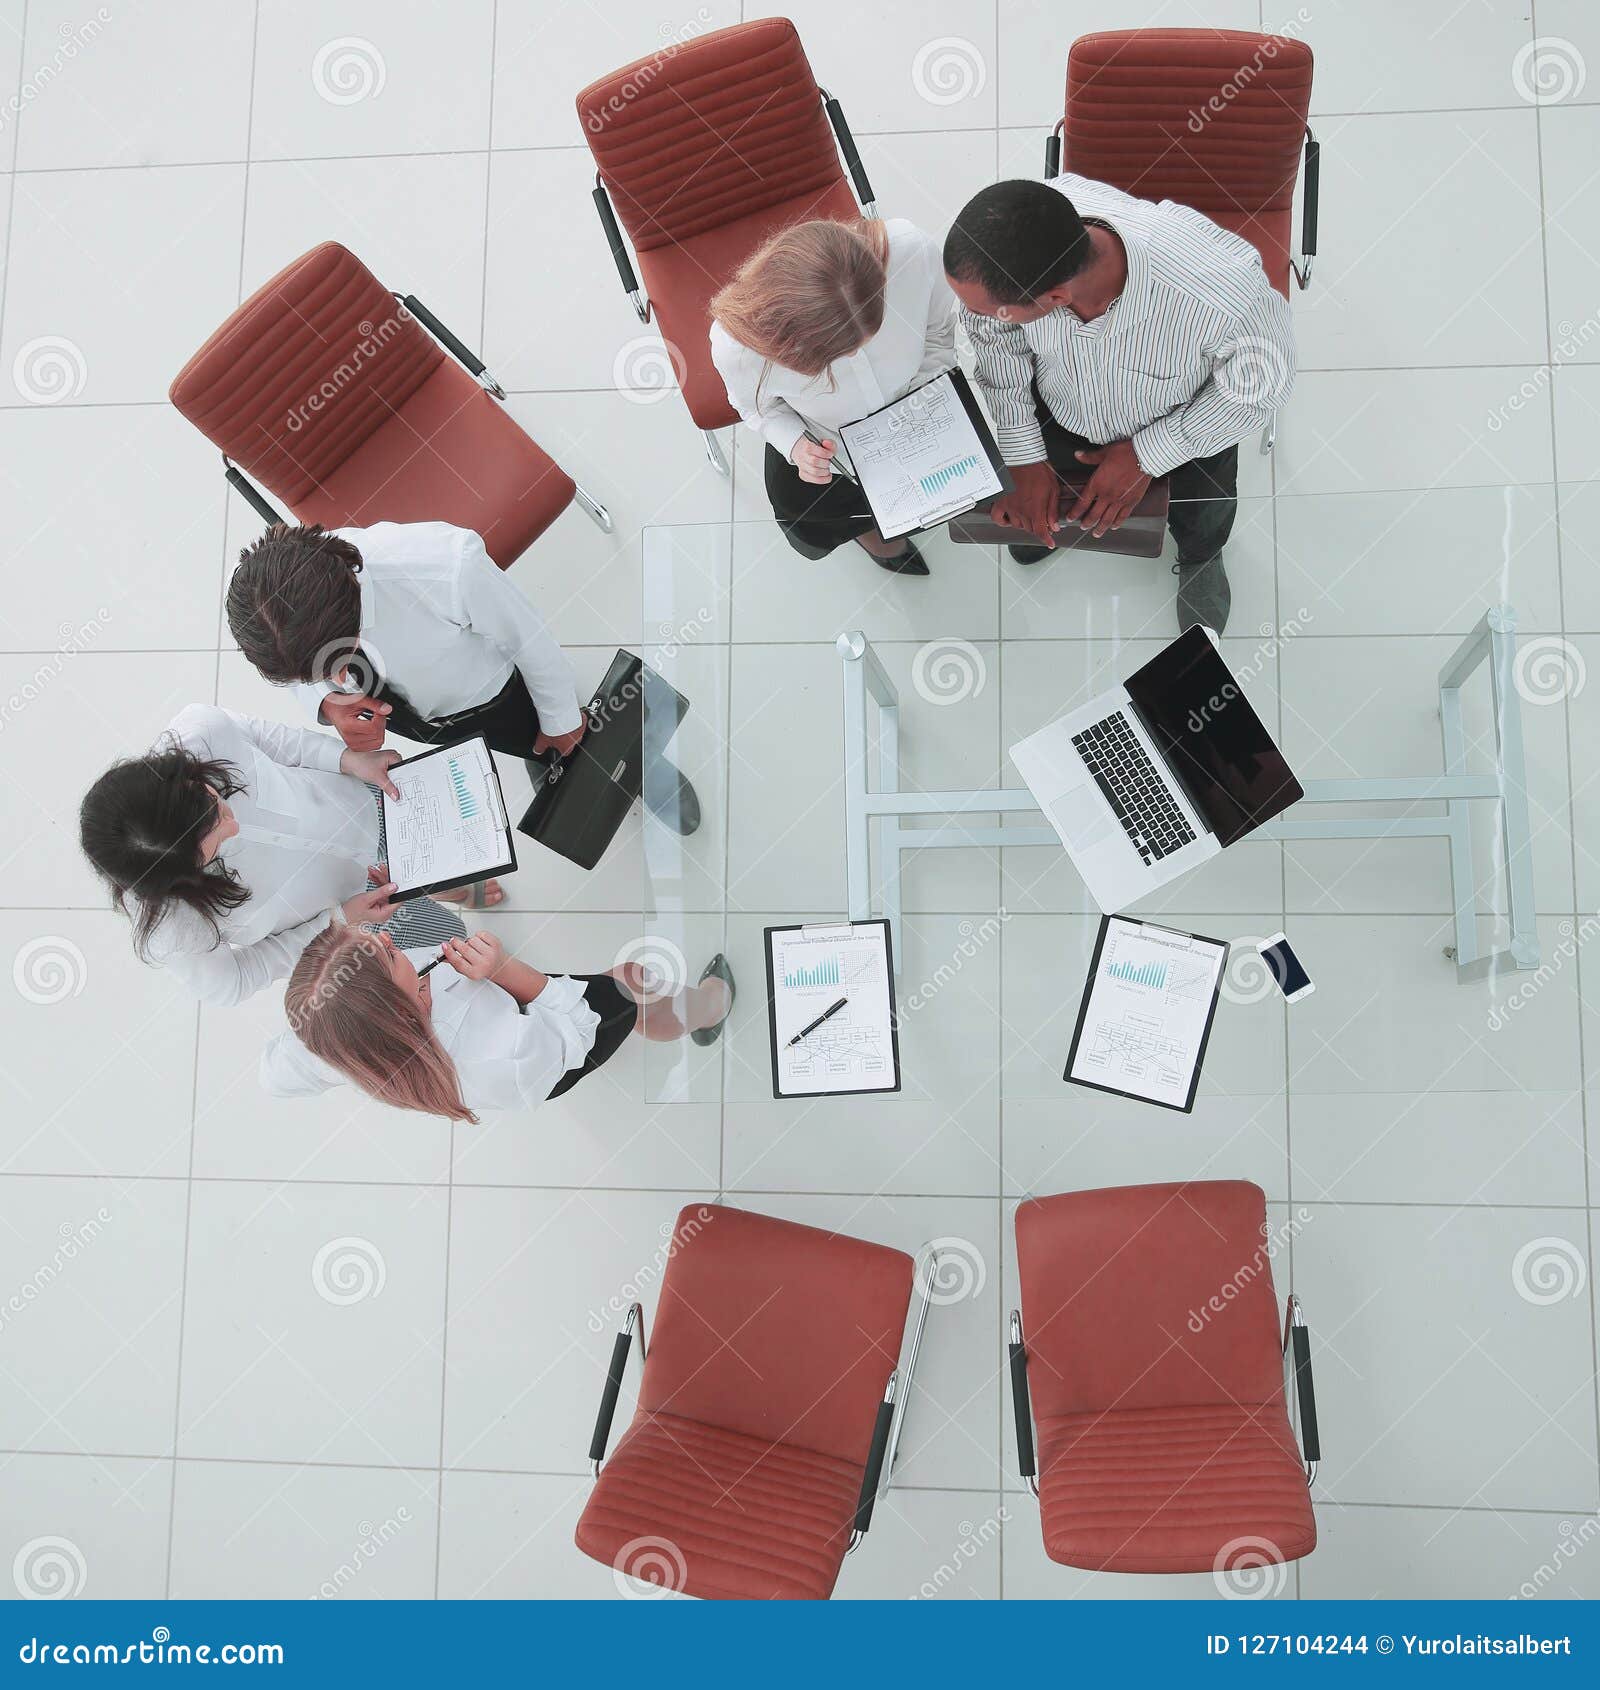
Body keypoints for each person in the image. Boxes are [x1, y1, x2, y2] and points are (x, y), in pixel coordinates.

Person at [944, 176, 1297, 634]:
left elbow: (1263, 386)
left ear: (1056, 298)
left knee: (1204, 510)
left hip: (1187, 425)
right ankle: (1051, 521)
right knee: (1050, 487)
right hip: (1063, 404)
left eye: (985, 309)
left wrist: (1146, 454)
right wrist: (1023, 452)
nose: (973, 318)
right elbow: (994, 337)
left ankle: (1201, 556)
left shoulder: (1223, 293)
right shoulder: (1021, 248)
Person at [224, 520, 702, 857]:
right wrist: (327, 702)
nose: (331, 675)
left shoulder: (445, 566)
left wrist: (561, 719)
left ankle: (629, 764)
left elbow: (531, 641)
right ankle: (544, 757)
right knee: (523, 746)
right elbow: (299, 676)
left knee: (551, 728)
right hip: (424, 718)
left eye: (331, 663)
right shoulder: (272, 619)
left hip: (492, 692)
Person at [78, 704, 423, 1006]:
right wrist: (338, 923)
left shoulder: (200, 734)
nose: (233, 827)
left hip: (367, 798)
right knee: (442, 936)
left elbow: (265, 738)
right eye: (213, 849)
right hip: (363, 913)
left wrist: (346, 760)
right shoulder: (173, 930)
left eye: (216, 806)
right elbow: (235, 981)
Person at [260, 923, 736, 1119]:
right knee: (629, 984)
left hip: (508, 1006)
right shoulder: (492, 1058)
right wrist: (506, 969)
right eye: (387, 952)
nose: (389, 937)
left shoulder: (325, 1033)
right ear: (396, 1006)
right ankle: (708, 1011)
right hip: (559, 1042)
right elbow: (579, 1026)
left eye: (373, 933)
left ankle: (660, 1016)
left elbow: (275, 1074)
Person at [710, 216, 958, 576]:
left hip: (920, 418)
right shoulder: (739, 349)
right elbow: (756, 408)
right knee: (819, 517)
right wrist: (795, 445)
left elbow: (937, 333)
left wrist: (925, 394)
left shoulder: (913, 253)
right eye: (837, 355)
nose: (855, 355)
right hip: (828, 452)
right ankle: (867, 534)